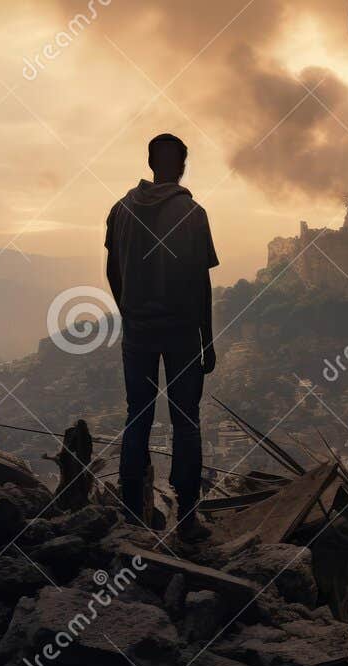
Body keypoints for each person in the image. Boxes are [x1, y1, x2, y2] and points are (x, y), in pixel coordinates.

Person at [106, 133, 218, 541]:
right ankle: (187, 519)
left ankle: (131, 515)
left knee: (138, 415)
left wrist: (129, 312)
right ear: (182, 166)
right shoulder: (193, 213)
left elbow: (112, 271)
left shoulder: (120, 210)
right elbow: (200, 283)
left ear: (151, 162)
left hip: (138, 330)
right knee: (186, 421)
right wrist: (208, 338)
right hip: (182, 331)